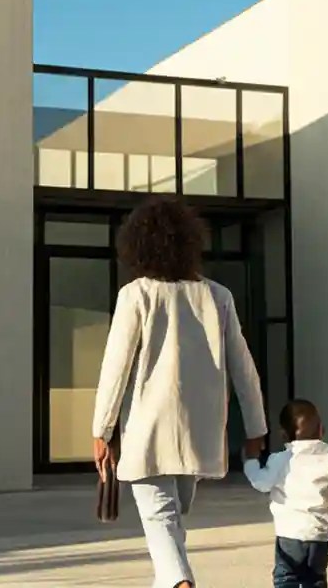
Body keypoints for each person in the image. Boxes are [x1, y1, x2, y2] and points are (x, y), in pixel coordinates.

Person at [92, 195, 268, 588]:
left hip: (148, 430)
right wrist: (256, 428)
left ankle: (182, 584)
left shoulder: (136, 295)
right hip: (199, 433)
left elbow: (114, 368)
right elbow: (245, 368)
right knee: (170, 524)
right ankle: (174, 580)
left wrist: (101, 430)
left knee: (161, 522)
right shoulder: (218, 296)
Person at [243, 399, 328, 588]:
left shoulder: (280, 460)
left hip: (289, 534)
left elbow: (261, 483)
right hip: (319, 535)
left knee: (286, 578)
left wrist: (250, 460)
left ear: (284, 434)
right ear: (321, 431)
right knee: (315, 579)